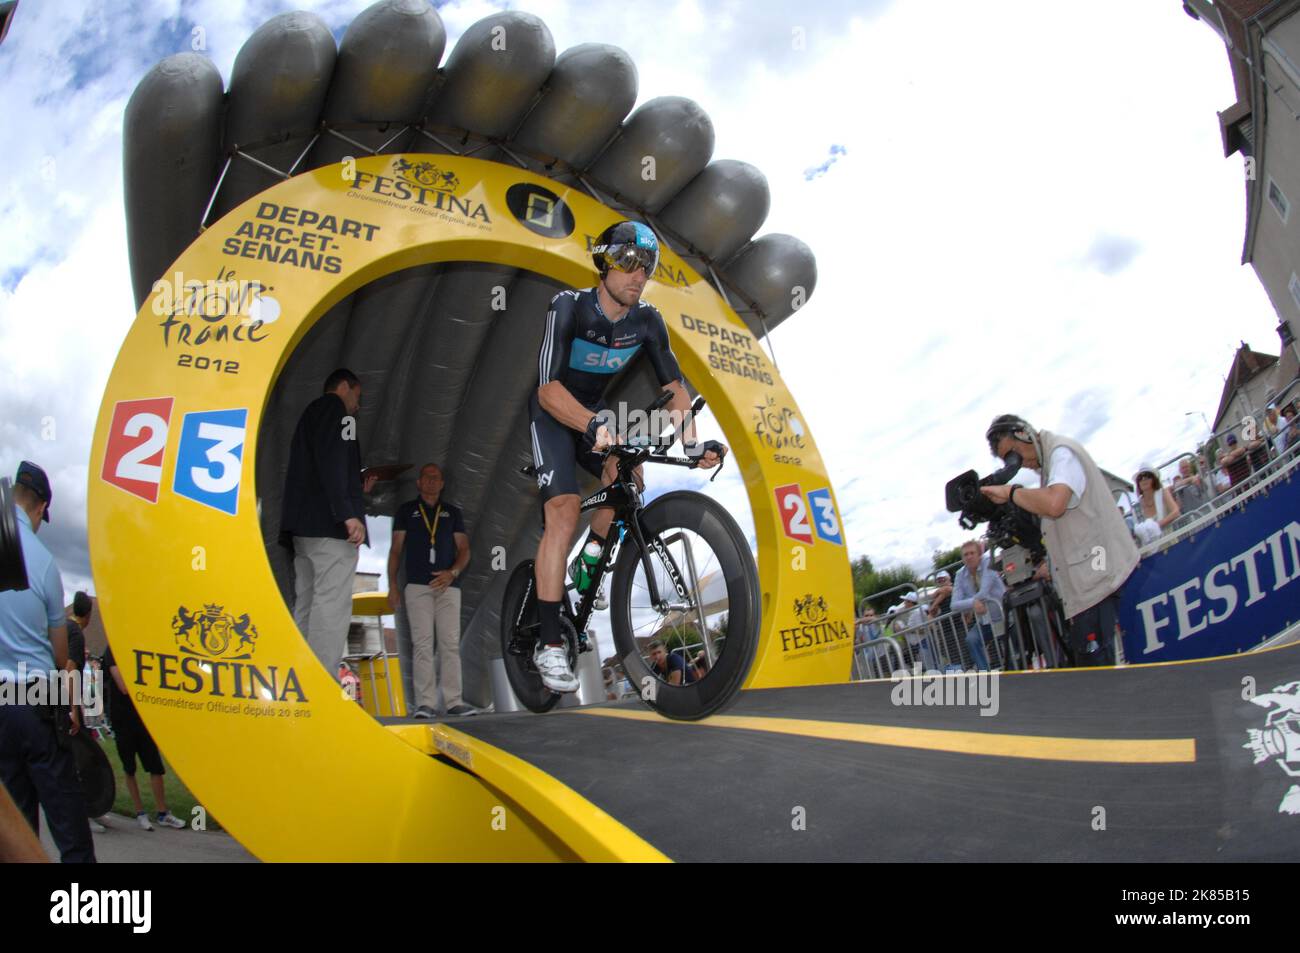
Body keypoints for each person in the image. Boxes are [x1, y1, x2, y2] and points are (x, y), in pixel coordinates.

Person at [527, 221, 726, 692]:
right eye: (630, 263)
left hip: (595, 415)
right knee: (564, 510)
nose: (639, 275)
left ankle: (590, 558)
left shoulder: (648, 321)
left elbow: (674, 388)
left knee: (630, 475)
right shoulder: (569, 307)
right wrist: (592, 423)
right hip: (554, 412)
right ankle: (551, 643)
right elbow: (547, 389)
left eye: (648, 266)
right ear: (604, 262)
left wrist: (694, 445)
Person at [980, 415, 1139, 666]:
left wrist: (1011, 493)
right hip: (1091, 581)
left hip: (1100, 580)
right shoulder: (1049, 468)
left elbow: (1055, 504)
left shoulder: (1062, 454)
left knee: (1100, 671)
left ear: (1023, 434)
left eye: (1014, 455)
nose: (1017, 464)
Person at [0, 461, 95, 861]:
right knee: (69, 823)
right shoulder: (41, 560)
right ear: (40, 509)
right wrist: (71, 694)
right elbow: (60, 654)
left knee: (18, 827)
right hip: (37, 696)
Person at [281, 368, 378, 674]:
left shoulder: (312, 414)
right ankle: (323, 680)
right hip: (330, 529)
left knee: (307, 604)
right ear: (346, 388)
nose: (357, 407)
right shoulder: (336, 411)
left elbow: (325, 463)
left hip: (304, 529)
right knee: (331, 604)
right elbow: (334, 460)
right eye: (357, 397)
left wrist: (356, 489)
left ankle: (302, 678)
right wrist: (347, 512)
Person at [386, 463, 473, 718]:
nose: (431, 481)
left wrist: (452, 572)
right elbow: (394, 550)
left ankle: (454, 702)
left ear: (442, 483)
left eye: (436, 477)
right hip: (417, 586)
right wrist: (392, 584)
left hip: (449, 586)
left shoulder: (452, 512)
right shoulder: (406, 511)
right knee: (422, 644)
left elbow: (465, 549)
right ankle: (425, 704)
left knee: (449, 644)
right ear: (419, 483)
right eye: (427, 477)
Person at [101, 643, 186, 830]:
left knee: (155, 766)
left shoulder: (137, 647)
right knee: (129, 767)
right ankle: (140, 812)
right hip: (122, 718)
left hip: (143, 718)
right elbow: (123, 686)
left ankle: (163, 812)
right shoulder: (113, 650)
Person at [950, 540, 1006, 671]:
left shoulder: (988, 564)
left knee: (1013, 644)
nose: (969, 557)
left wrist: (969, 603)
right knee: (971, 640)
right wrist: (972, 604)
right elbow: (953, 605)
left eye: (972, 553)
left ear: (979, 554)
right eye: (965, 554)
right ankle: (984, 673)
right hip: (985, 621)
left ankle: (1018, 669)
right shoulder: (960, 574)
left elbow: (984, 592)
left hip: (1005, 615)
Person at [1133, 464, 1181, 537]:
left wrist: (1156, 526)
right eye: (1140, 478)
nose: (1143, 479)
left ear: (1154, 479)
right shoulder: (1139, 504)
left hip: (1168, 539)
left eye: (1147, 476)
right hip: (1151, 545)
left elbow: (1176, 512)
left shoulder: (1162, 492)